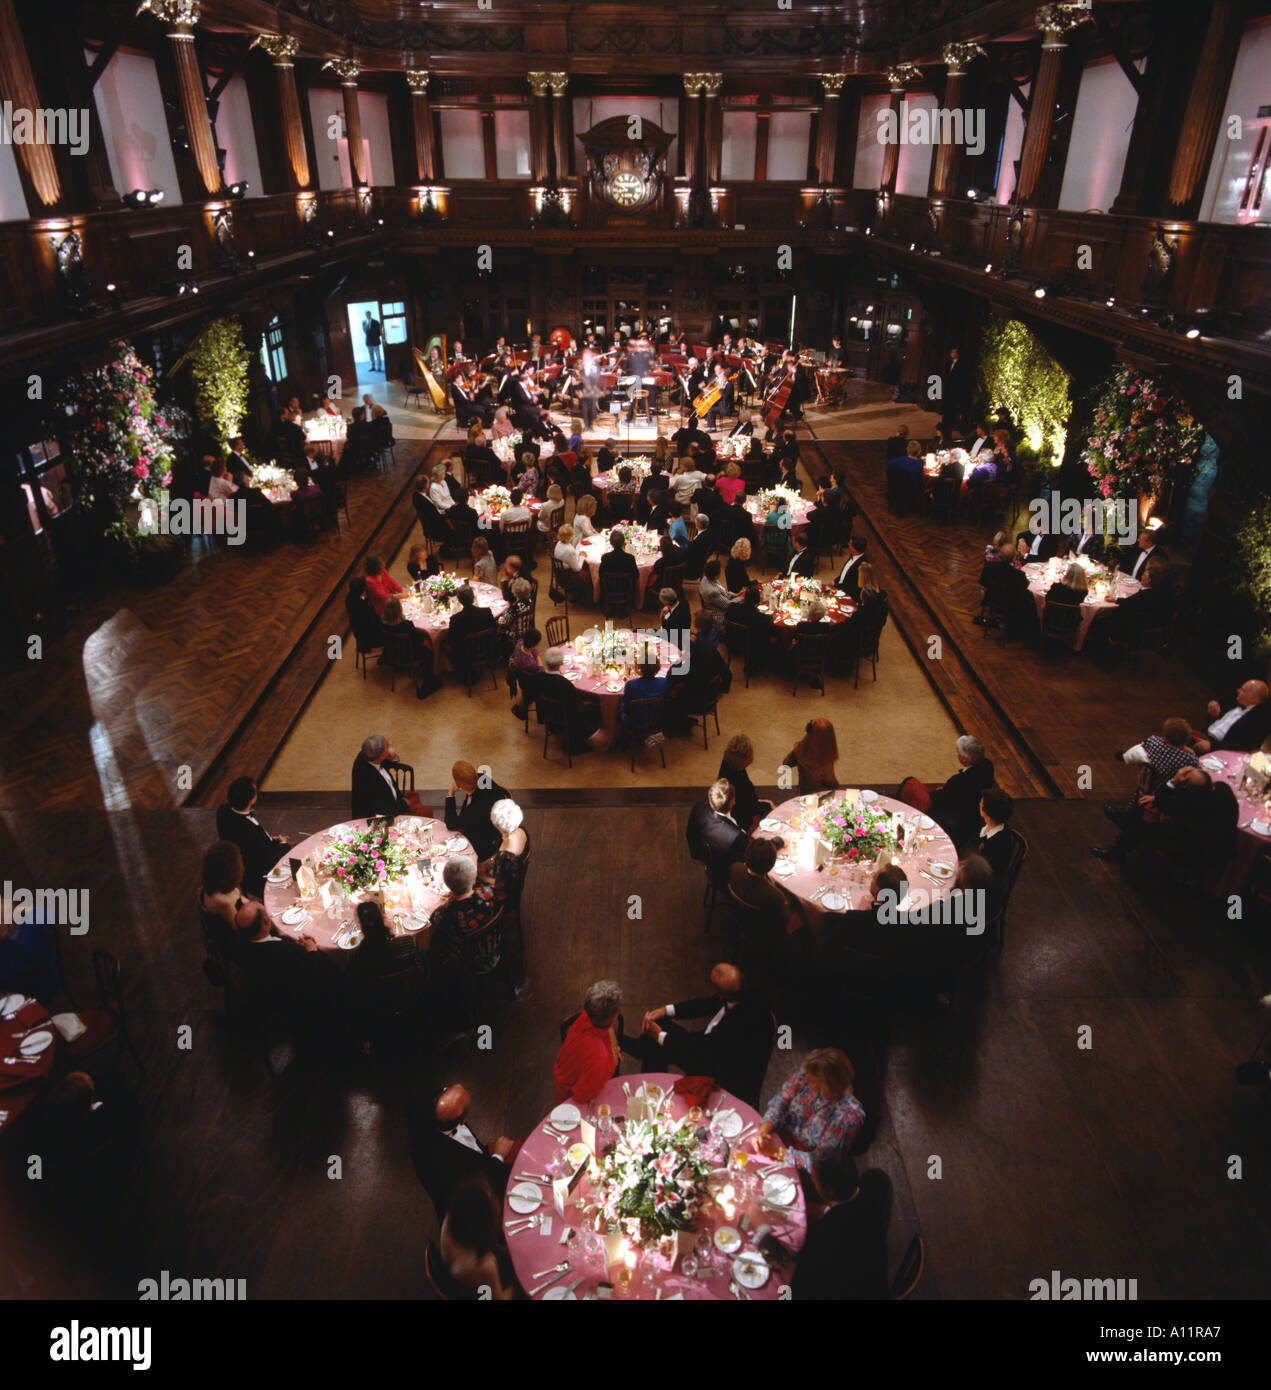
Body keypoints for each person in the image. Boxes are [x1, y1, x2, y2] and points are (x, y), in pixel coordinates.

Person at [619, 963, 773, 1108]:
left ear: (723, 995)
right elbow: (706, 1004)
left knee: (655, 1044)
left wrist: (659, 1035)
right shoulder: (740, 993)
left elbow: (699, 1050)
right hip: (711, 1046)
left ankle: (650, 1095)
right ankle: (639, 1054)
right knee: (659, 1030)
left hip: (720, 1071)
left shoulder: (740, 1024)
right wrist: (665, 1010)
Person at [1093, 764, 1238, 867]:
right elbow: (1175, 800)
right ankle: (1124, 822)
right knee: (1147, 808)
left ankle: (1118, 851)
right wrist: (1158, 799)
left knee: (1144, 822)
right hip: (1223, 842)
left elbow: (1168, 802)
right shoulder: (1222, 789)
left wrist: (1174, 782)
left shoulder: (1188, 805)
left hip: (1198, 847)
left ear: (1187, 788)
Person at [791, 1154, 893, 1301]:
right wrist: (826, 1209)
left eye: (814, 1180)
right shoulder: (875, 1183)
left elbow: (801, 1281)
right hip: (877, 1282)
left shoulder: (825, 1234)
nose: (813, 1182)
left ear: (827, 1191)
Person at [408, 1083, 514, 1220]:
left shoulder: (438, 1108)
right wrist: (498, 1156)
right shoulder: (441, 1162)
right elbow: (480, 1191)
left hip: (478, 1166)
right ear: (463, 1121)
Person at [753, 1047, 866, 1175]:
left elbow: (819, 1163)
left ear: (827, 1085)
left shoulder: (847, 1116)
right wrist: (764, 1131)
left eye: (813, 1081)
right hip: (777, 1136)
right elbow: (781, 1100)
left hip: (802, 1166)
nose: (805, 1079)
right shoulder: (809, 1073)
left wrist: (776, 1152)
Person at [436, 1173, 518, 1300]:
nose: (494, 1197)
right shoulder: (486, 1265)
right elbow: (500, 1298)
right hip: (478, 1291)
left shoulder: (451, 1218)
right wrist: (519, 1282)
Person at [215, 777, 289, 899]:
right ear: (252, 799)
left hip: (246, 859)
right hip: (258, 876)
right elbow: (269, 860)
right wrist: (283, 844)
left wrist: (270, 840)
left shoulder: (223, 811)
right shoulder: (250, 833)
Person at [916, 736, 996, 848]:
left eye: (959, 753)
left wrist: (939, 792)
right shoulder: (987, 766)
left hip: (958, 819)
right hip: (974, 813)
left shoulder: (959, 780)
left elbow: (943, 798)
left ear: (964, 759)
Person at [554, 980, 623, 1103]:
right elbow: (581, 1097)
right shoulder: (599, 1058)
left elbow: (609, 1028)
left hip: (568, 1080)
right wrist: (613, 1060)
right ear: (615, 1017)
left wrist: (613, 1044)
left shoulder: (589, 1015)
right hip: (570, 1101)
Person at [529, 647, 603, 752]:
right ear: (561, 663)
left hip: (548, 715)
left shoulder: (538, 678)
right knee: (595, 706)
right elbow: (578, 709)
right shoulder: (565, 684)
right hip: (566, 718)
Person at [1112, 717, 1199, 798]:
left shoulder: (1154, 741)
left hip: (1146, 784)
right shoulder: (1188, 759)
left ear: (1165, 736)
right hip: (1167, 792)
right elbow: (1196, 770)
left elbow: (1141, 747)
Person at [444, 761, 511, 860]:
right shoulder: (483, 778)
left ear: (457, 785)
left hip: (487, 844)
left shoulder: (474, 811)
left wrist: (451, 793)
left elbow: (451, 824)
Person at [685, 779, 747, 883]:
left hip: (709, 858)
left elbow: (689, 834)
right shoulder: (735, 836)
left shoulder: (698, 808)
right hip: (726, 875)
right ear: (733, 802)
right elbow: (749, 857)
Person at [1192, 680, 1271, 754]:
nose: (1238, 690)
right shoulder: (1236, 702)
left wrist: (1212, 746)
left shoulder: (1259, 718)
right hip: (1204, 735)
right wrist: (1213, 705)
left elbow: (1245, 744)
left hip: (1218, 748)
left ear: (1253, 698)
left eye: (1243, 690)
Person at [718, 733, 772, 833]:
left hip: (733, 807)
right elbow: (749, 807)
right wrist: (768, 806)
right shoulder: (739, 782)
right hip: (740, 818)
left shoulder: (728, 763)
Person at [351, 734, 413, 819]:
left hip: (389, 803)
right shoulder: (371, 781)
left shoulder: (365, 754)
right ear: (382, 756)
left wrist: (392, 756)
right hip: (376, 819)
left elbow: (388, 761)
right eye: (388, 747)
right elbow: (387, 811)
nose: (391, 749)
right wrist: (405, 803)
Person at [446, 583, 498, 671]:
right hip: (485, 649)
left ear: (459, 600)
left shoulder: (455, 619)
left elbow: (451, 641)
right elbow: (494, 628)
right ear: (473, 597)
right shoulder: (486, 612)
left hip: (464, 654)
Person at [783, 718, 838, 793]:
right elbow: (831, 781)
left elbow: (786, 763)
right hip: (823, 794)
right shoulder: (825, 758)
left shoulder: (800, 750)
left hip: (805, 792)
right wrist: (837, 786)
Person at [974, 786, 1015, 878]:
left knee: (941, 891)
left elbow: (985, 874)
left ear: (987, 813)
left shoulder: (1000, 843)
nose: (979, 803)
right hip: (971, 869)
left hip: (982, 887)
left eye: (981, 803)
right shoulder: (984, 823)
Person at [598, 529, 640, 594]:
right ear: (623, 542)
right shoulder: (630, 558)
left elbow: (600, 575)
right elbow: (636, 576)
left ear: (611, 543)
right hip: (627, 591)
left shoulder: (605, 558)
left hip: (609, 590)